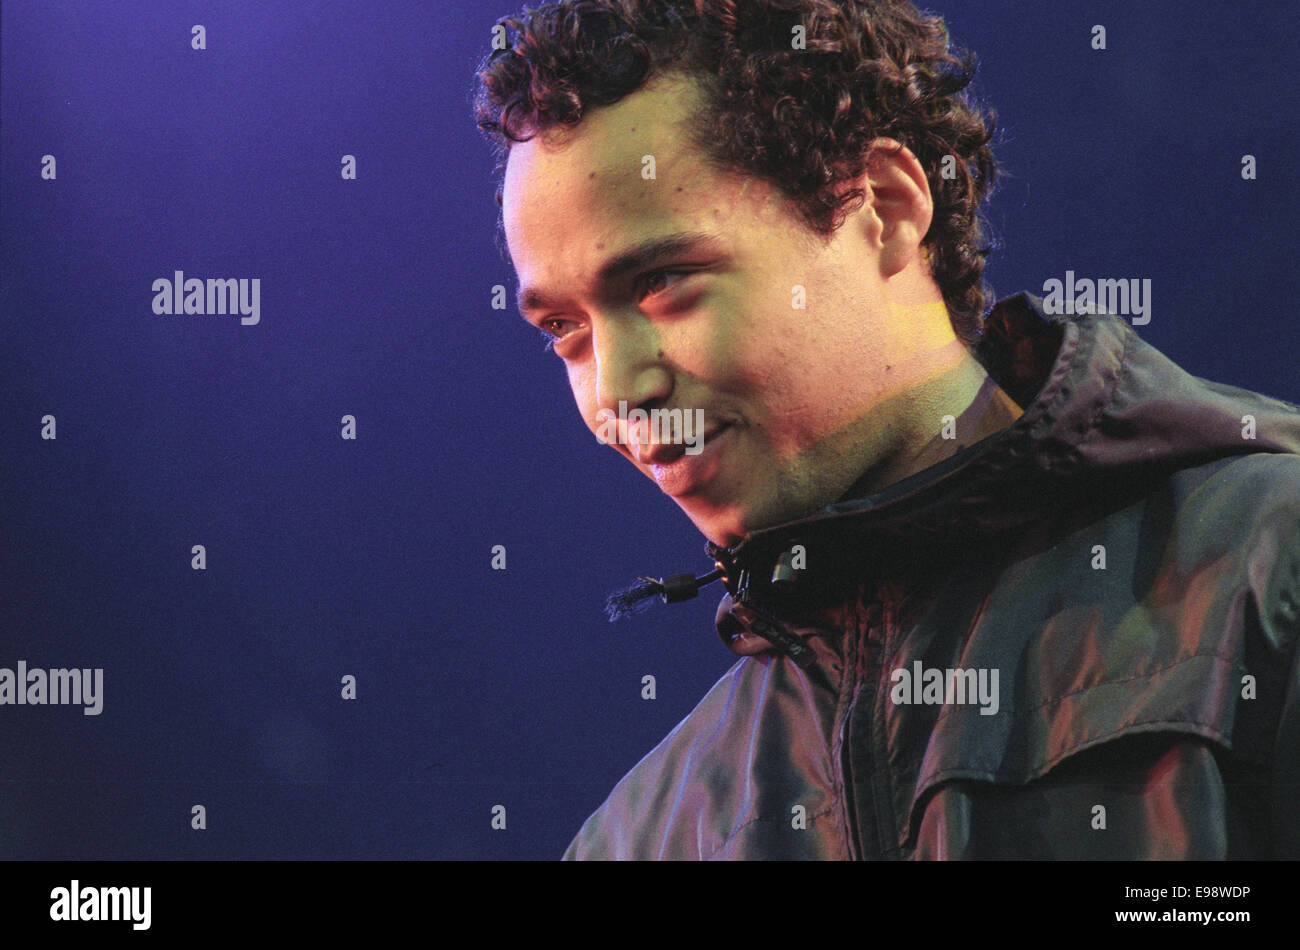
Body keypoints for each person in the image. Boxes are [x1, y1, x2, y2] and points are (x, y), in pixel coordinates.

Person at [472, 0, 1300, 859]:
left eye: (663, 281)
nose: (616, 390)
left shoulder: (1270, 569)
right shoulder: (634, 839)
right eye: (564, 329)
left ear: (888, 209)